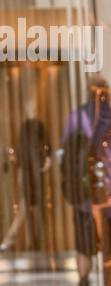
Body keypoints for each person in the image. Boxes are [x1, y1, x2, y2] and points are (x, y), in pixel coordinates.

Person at [60, 74, 111, 286]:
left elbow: (65, 153)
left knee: (84, 247)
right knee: (110, 245)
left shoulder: (76, 117)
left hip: (84, 196)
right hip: (109, 197)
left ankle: (84, 281)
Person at [0, 96, 51, 259]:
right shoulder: (24, 127)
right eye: (30, 106)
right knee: (26, 209)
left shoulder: (39, 126)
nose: (32, 109)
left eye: (34, 106)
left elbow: (46, 145)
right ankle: (12, 241)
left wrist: (47, 160)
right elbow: (21, 150)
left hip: (35, 172)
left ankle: (33, 242)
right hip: (27, 173)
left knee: (34, 209)